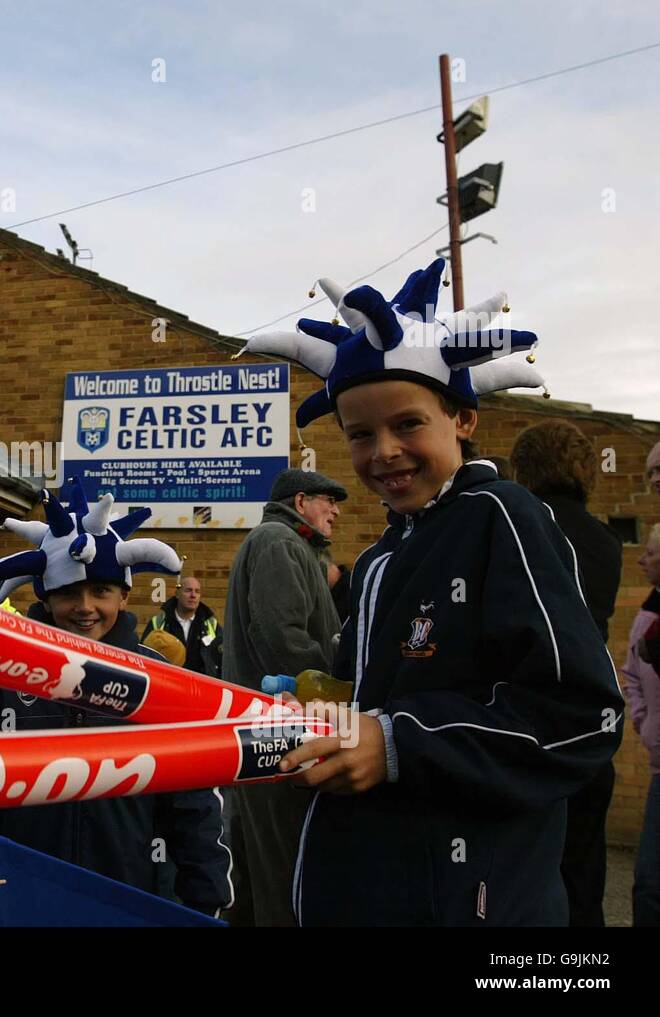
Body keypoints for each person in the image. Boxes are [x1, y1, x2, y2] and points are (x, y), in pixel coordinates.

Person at [240, 258, 623, 925]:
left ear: (463, 418)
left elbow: (580, 719)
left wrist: (394, 744)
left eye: (408, 424)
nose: (383, 451)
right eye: (360, 434)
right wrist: (321, 701)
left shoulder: (503, 517)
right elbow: (379, 703)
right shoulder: (383, 554)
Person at [0, 481, 232, 918]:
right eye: (66, 593)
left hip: (129, 899)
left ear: (124, 593)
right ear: (44, 595)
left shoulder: (164, 684)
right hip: (19, 902)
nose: (84, 607)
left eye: (100, 590)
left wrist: (204, 901)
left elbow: (193, 808)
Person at [220, 466, 347, 926]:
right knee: (285, 873)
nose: (335, 510)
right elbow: (284, 638)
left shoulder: (287, 544)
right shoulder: (278, 541)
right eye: (328, 499)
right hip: (282, 734)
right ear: (300, 503)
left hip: (270, 733)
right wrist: (340, 688)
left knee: (260, 873)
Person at [511, 419, 623, 926]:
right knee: (584, 879)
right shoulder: (605, 540)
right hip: (592, 726)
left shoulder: (518, 524)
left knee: (524, 883)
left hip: (529, 732)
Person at [624, 524, 660, 925]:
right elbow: (631, 672)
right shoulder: (647, 615)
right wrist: (643, 718)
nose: (640, 559)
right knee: (649, 884)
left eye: (649, 553)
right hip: (659, 767)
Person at [141, 574, 222, 677]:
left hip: (202, 687)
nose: (193, 595)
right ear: (177, 594)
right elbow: (144, 656)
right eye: (188, 590)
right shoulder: (159, 623)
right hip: (168, 684)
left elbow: (223, 659)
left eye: (197, 591)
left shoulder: (212, 625)